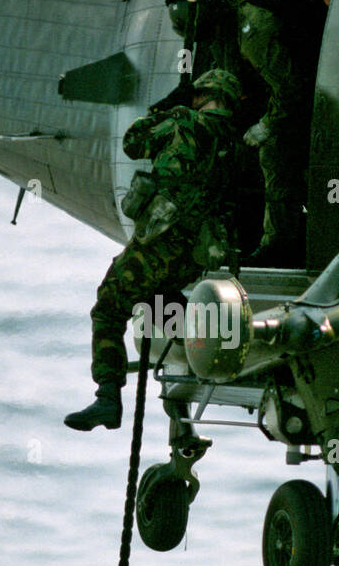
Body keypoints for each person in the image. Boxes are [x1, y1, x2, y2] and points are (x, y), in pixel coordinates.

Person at [64, 68, 245, 432]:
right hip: (198, 254)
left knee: (109, 308)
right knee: (158, 296)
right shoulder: (236, 144)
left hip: (162, 240)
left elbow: (133, 142)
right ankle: (205, 338)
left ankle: (107, 397)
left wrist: (166, 108)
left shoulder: (182, 122)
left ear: (200, 96)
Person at [168, 0, 311, 267]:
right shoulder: (222, 22)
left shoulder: (253, 30)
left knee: (274, 154)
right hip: (270, 97)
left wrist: (267, 126)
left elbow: (291, 88)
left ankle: (280, 247)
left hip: (298, 104)